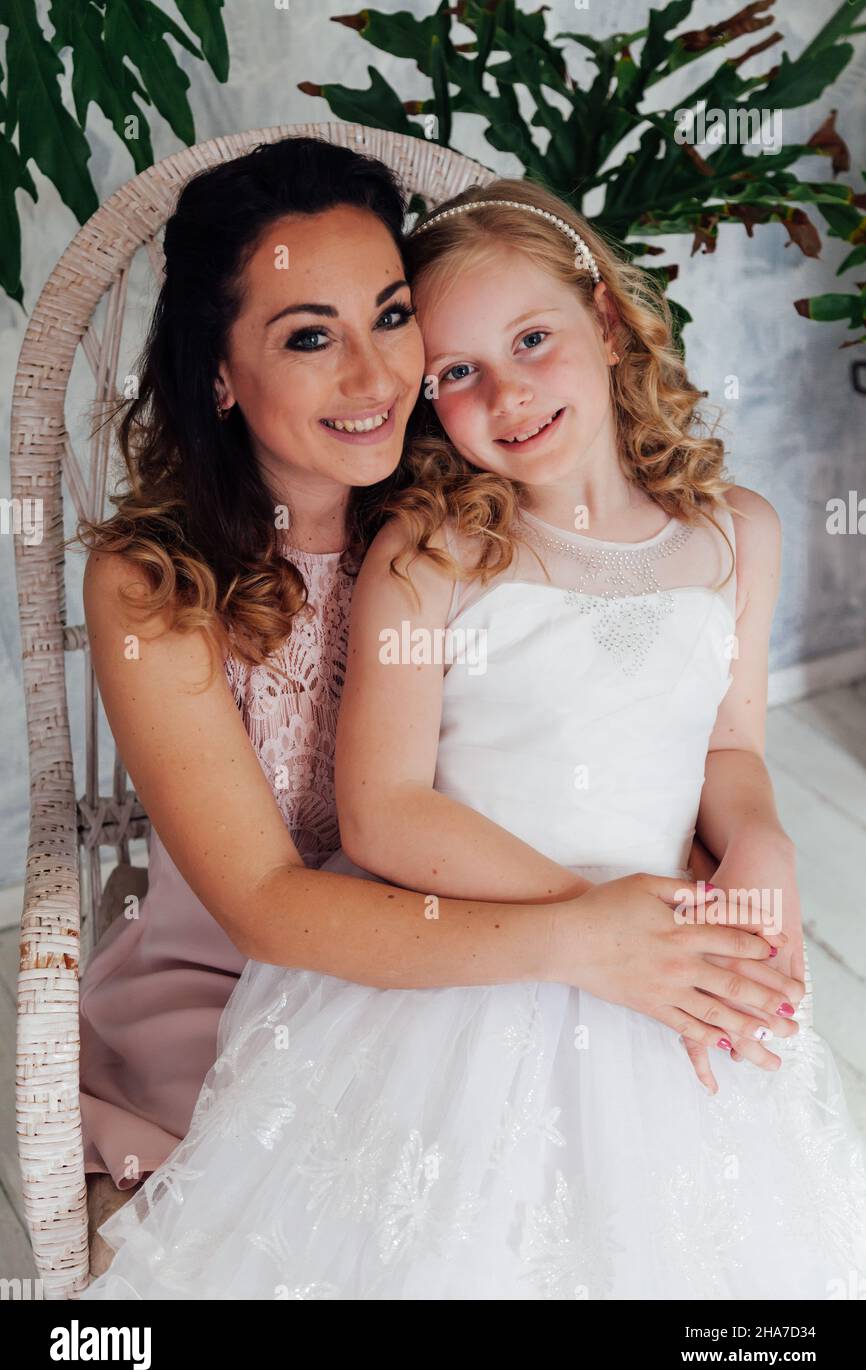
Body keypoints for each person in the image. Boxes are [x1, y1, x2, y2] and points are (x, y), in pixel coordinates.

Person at [79, 179, 856, 1302]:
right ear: (216, 369)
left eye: (393, 322)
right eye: (309, 335)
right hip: (273, 982)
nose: (375, 376)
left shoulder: (463, 492)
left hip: (538, 942)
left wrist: (739, 857)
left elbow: (692, 737)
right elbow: (292, 884)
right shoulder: (184, 578)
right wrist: (600, 930)